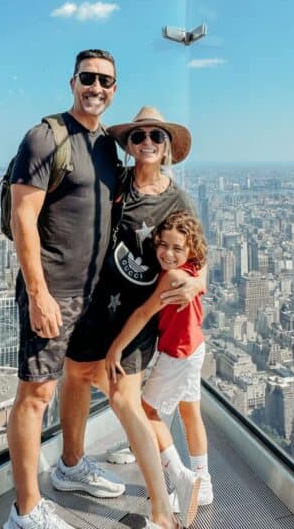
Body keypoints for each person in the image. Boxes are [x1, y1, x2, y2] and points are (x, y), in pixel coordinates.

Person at [63, 107, 206, 529]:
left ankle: (163, 505)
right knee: (74, 374)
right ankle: (70, 464)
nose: (147, 143)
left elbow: (198, 251)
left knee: (125, 400)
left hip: (137, 318)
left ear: (166, 148)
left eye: (156, 137)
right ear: (129, 144)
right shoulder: (117, 182)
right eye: (139, 136)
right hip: (95, 305)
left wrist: (198, 284)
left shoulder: (176, 199)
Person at [3, 49, 125, 529]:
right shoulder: (44, 138)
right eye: (89, 78)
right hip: (54, 290)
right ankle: (26, 509)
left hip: (95, 292)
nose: (97, 87)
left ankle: (71, 466)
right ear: (73, 82)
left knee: (78, 377)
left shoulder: (106, 148)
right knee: (36, 393)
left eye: (107, 81)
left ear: (115, 90)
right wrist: (38, 294)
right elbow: (23, 219)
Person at [105, 210, 213, 512]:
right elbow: (203, 263)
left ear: (190, 249)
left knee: (145, 410)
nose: (167, 253)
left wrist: (116, 348)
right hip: (194, 349)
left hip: (178, 353)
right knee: (191, 414)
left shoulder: (174, 277)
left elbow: (143, 314)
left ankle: (181, 477)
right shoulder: (192, 267)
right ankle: (204, 483)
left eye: (177, 248)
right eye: (163, 245)